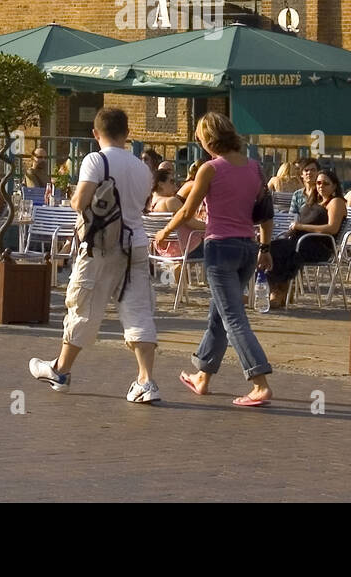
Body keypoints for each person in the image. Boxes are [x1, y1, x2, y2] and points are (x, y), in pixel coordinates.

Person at [29, 107, 159, 402]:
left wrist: (77, 196)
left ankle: (61, 370)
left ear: (95, 134)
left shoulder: (95, 160)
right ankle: (146, 380)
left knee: (83, 306)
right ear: (127, 134)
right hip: (136, 244)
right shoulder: (143, 168)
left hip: (101, 245)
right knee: (138, 309)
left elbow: (80, 202)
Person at [155, 112, 273, 406]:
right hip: (247, 247)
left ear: (209, 139)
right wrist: (266, 248)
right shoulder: (255, 168)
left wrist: (164, 232)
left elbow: (186, 211)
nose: (199, 143)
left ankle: (259, 382)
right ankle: (203, 376)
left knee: (233, 317)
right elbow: (266, 214)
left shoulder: (210, 169)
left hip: (220, 248)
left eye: (199, 137)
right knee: (220, 314)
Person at [266, 169, 347, 309]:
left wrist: (302, 227)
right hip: (302, 241)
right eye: (319, 183)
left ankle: (280, 291)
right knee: (270, 247)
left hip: (319, 246)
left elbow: (332, 228)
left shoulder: (336, 202)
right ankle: (279, 289)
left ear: (334, 186)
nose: (321, 186)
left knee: (281, 249)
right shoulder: (314, 202)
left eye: (326, 183)